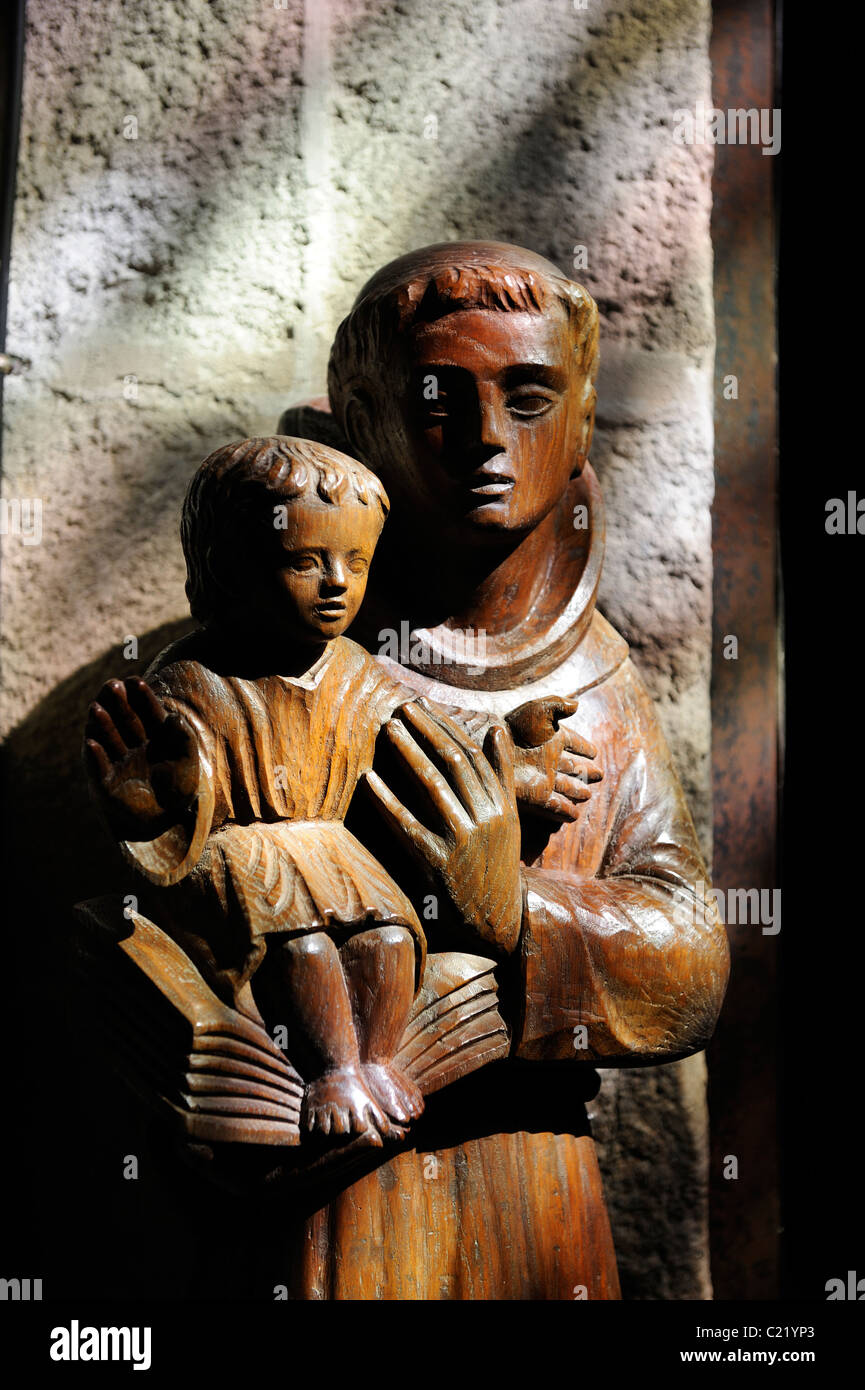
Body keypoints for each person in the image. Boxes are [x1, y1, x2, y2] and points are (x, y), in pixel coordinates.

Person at [266, 241, 731, 1298]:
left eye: (528, 397)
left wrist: (513, 908)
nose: (486, 439)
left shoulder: (594, 678)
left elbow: (694, 961)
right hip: (337, 1189)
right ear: (363, 416)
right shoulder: (283, 660)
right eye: (440, 401)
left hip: (536, 1193)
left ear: (578, 418)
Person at [84, 433, 591, 1147]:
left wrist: (510, 751)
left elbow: (429, 739)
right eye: (304, 561)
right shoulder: (193, 679)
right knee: (309, 955)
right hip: (244, 860)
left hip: (332, 854)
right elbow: (170, 790)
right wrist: (148, 800)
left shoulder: (351, 669)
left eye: (355, 562)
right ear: (231, 567)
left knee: (386, 937)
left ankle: (375, 1062)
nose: (336, 583)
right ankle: (329, 1072)